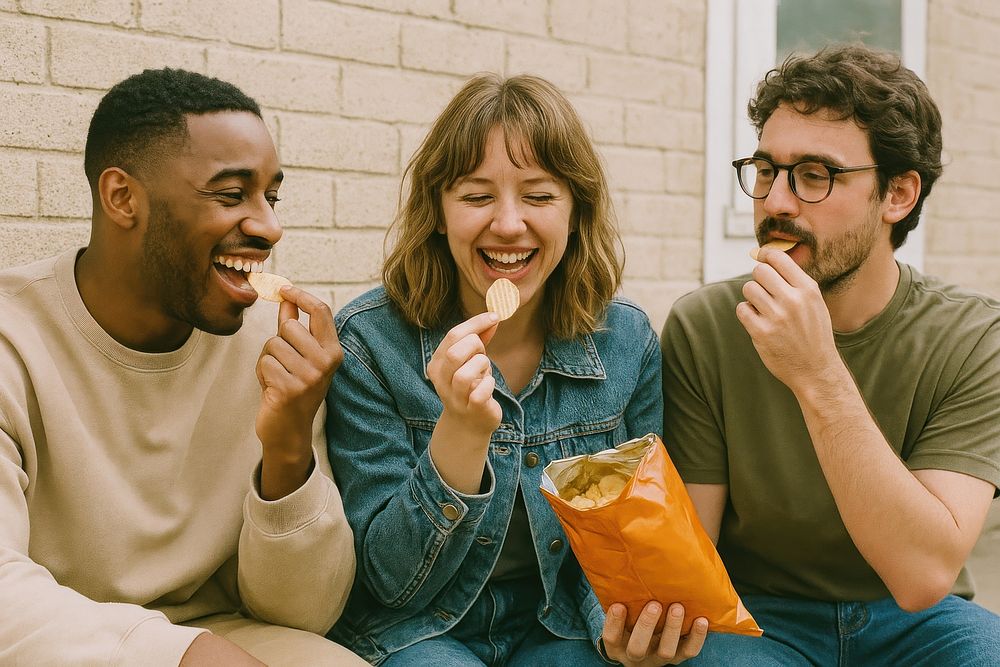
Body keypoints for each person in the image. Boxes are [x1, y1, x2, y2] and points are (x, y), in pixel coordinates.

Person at [324, 73, 708, 666]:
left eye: (539, 196)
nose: (507, 224)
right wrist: (460, 433)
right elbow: (390, 584)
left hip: (559, 624)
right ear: (438, 211)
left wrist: (620, 625)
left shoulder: (626, 341)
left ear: (576, 212)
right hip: (419, 630)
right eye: (477, 196)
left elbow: (626, 540)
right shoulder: (370, 343)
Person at [0, 68, 366, 666]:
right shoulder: (12, 343)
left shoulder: (271, 346)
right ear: (123, 198)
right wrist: (181, 656)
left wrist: (288, 447)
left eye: (271, 197)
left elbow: (304, 615)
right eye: (231, 194)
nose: (269, 227)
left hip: (227, 633)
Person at [662, 44, 1000, 664]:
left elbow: (923, 575)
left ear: (898, 194)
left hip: (917, 619)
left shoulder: (974, 337)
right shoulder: (706, 326)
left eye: (815, 175)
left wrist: (816, 372)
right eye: (766, 170)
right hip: (760, 615)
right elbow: (692, 559)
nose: (776, 202)